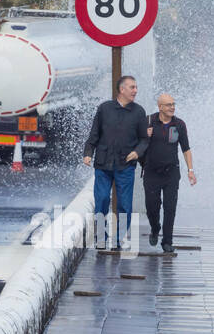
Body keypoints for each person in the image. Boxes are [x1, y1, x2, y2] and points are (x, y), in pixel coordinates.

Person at [83, 75, 149, 250]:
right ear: (122, 90)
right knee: (102, 200)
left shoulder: (139, 112)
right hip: (103, 163)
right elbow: (94, 135)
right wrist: (88, 153)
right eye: (132, 87)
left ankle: (120, 240)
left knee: (124, 205)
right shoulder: (105, 109)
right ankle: (101, 238)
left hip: (125, 165)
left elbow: (144, 139)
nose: (135, 90)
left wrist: (137, 152)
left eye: (136, 87)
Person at [142, 93, 196, 253]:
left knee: (170, 207)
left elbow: (186, 149)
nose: (172, 107)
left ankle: (167, 241)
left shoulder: (179, 125)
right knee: (152, 206)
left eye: (173, 104)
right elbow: (136, 141)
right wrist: (145, 134)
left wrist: (190, 170)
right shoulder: (149, 121)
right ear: (160, 107)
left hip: (171, 172)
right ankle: (155, 227)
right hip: (151, 172)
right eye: (168, 105)